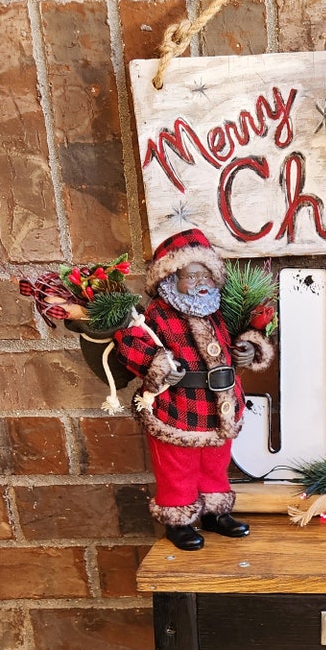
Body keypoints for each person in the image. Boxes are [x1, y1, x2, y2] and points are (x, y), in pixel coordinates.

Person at [113, 229, 273, 551]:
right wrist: (158, 363)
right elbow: (128, 343)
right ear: (171, 278)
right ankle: (179, 520)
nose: (201, 283)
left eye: (206, 275)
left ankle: (215, 512)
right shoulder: (156, 314)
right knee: (177, 466)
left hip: (219, 408)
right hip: (178, 408)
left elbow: (244, 334)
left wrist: (249, 348)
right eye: (192, 275)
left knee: (215, 463)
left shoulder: (218, 310)